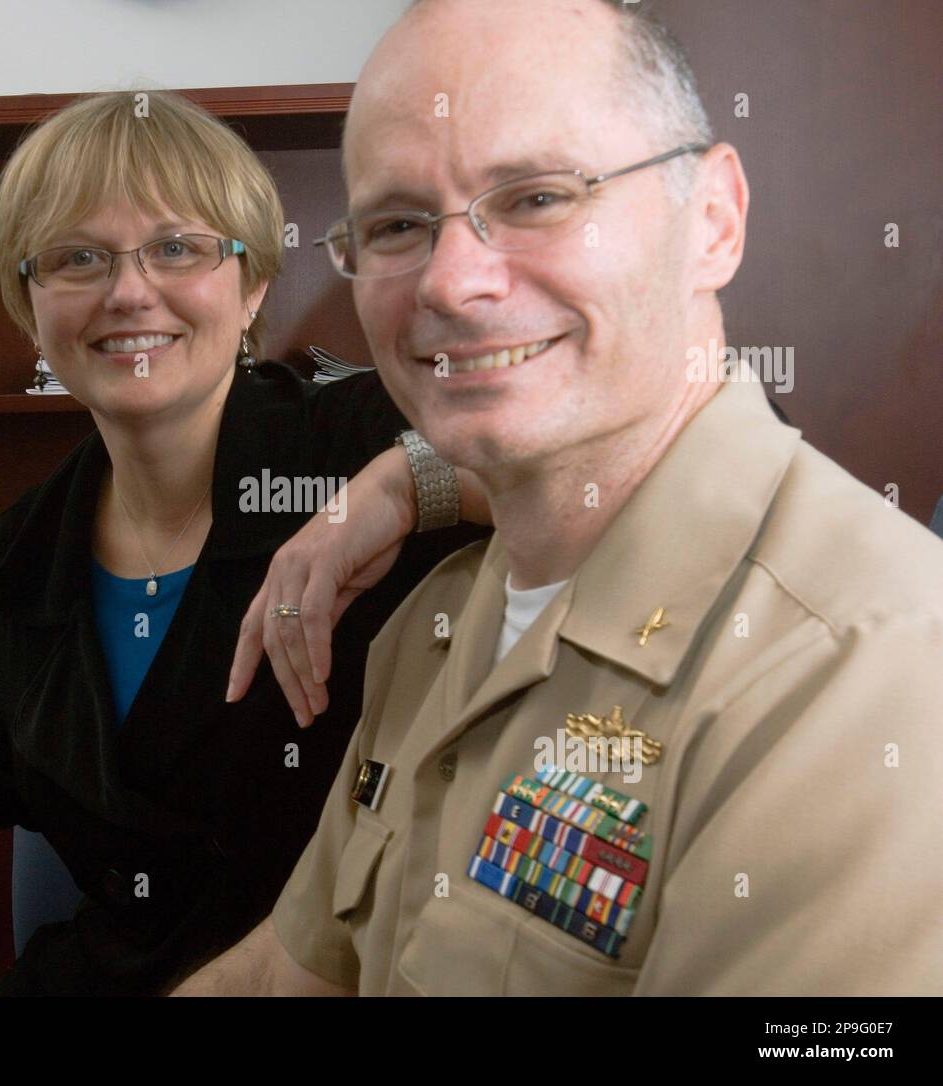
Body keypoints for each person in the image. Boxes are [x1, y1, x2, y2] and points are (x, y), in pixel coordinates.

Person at [176, 0, 943, 996]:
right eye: (399, 224)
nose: (452, 283)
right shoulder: (438, 621)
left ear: (711, 220)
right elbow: (291, 973)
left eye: (537, 196)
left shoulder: (864, 675)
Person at [0, 89, 489, 997]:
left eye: (177, 248)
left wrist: (396, 490)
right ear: (29, 305)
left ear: (254, 279)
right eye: (77, 258)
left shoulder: (350, 441)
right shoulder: (31, 540)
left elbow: (608, 455)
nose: (127, 291)